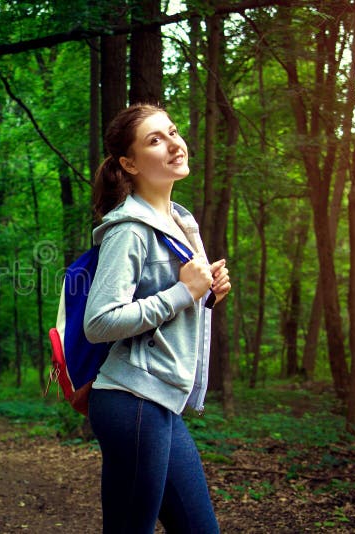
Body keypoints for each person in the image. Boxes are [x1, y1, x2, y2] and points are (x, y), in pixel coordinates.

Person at [83, 103, 231, 533]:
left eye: (172, 132)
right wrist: (184, 292)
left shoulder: (181, 222)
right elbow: (100, 322)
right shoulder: (129, 229)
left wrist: (205, 296)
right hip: (132, 399)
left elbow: (169, 303)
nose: (173, 144)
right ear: (129, 163)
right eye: (155, 140)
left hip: (160, 401)